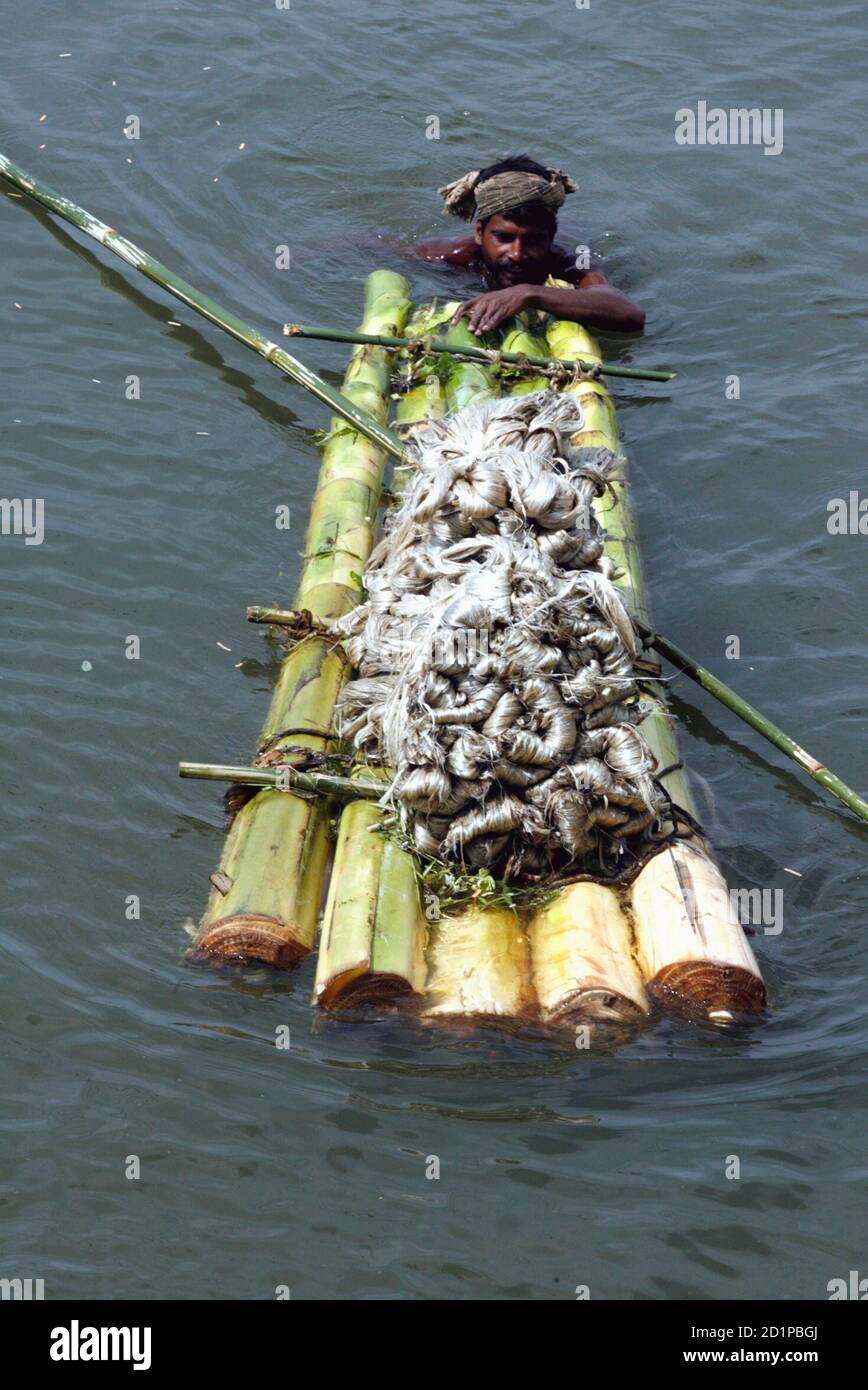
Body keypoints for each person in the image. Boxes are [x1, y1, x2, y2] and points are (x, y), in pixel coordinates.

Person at [411, 154, 645, 337]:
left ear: (551, 237)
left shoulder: (569, 264)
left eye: (533, 240)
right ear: (480, 234)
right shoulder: (450, 256)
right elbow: (384, 248)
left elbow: (630, 315)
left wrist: (530, 294)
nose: (517, 254)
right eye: (504, 237)